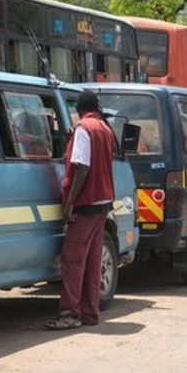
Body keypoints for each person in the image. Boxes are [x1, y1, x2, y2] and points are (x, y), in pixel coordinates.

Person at [46, 91, 115, 330]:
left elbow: (82, 167)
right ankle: (90, 313)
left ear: (79, 109)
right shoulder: (105, 129)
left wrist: (70, 204)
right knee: (92, 261)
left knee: (73, 259)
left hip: (86, 203)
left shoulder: (83, 129)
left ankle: (69, 314)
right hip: (103, 203)